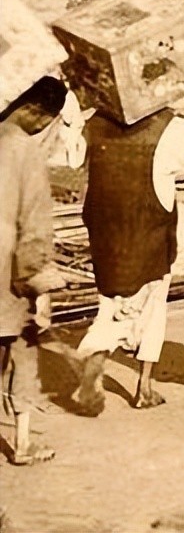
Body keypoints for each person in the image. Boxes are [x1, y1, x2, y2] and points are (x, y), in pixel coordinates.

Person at [72, 93, 184, 415]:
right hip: (150, 232)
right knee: (152, 308)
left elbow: (72, 157)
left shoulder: (95, 123)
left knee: (110, 303)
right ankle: (144, 388)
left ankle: (97, 353)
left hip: (106, 233)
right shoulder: (169, 127)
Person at [1, 81, 64, 466]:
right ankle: (23, 443)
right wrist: (40, 288)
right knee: (23, 351)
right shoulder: (24, 150)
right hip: (6, 274)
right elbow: (35, 228)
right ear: (38, 113)